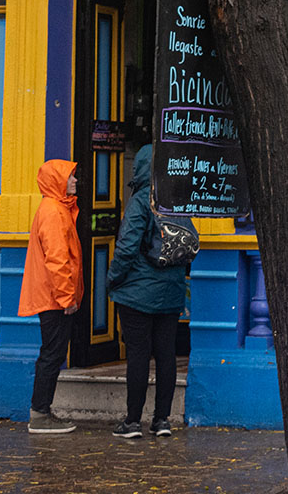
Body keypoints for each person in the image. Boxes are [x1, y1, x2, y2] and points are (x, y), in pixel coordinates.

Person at [107, 144, 187, 439]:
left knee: (138, 356)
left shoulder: (142, 200)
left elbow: (127, 247)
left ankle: (131, 421)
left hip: (137, 294)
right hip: (172, 293)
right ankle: (162, 420)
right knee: (166, 355)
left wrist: (112, 279)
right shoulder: (177, 197)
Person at [18, 159, 84, 434]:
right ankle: (41, 414)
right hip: (55, 298)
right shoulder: (54, 212)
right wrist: (67, 298)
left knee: (51, 353)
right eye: (70, 177)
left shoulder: (55, 209)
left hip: (52, 296)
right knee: (52, 354)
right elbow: (57, 260)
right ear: (58, 181)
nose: (75, 181)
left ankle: (42, 411)